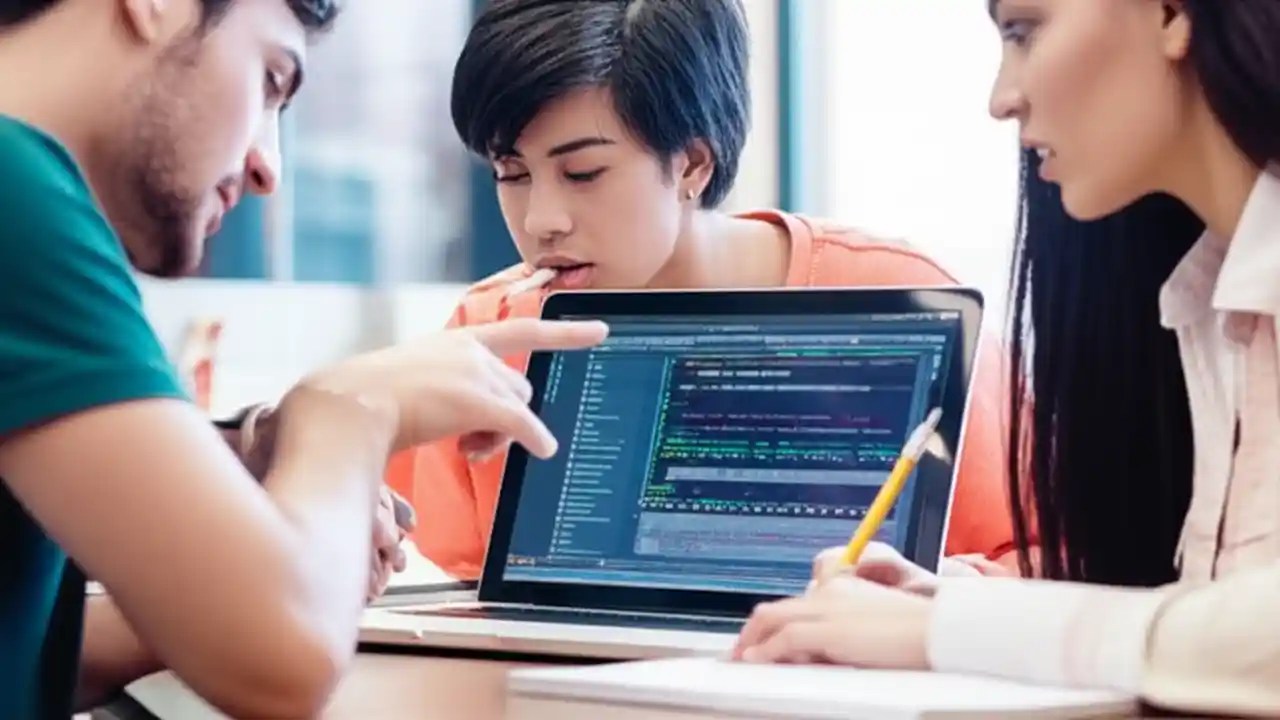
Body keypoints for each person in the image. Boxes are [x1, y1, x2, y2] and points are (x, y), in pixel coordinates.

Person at [0, 1, 606, 718]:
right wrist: (352, 408)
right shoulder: (19, 196)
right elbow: (281, 667)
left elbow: (38, 656)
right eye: (270, 79)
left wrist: (268, 528)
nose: (268, 167)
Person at [733, 0, 1280, 715]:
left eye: (1024, 32)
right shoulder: (1204, 296)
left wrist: (952, 629)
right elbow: (1227, 617)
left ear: (1172, 12)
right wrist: (955, 602)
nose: (1001, 100)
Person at [386, 0, 1021, 581]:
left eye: (583, 172)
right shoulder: (492, 333)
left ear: (692, 162)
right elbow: (452, 596)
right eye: (512, 174)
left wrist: (939, 597)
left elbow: (1043, 559)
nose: (540, 219)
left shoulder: (901, 296)